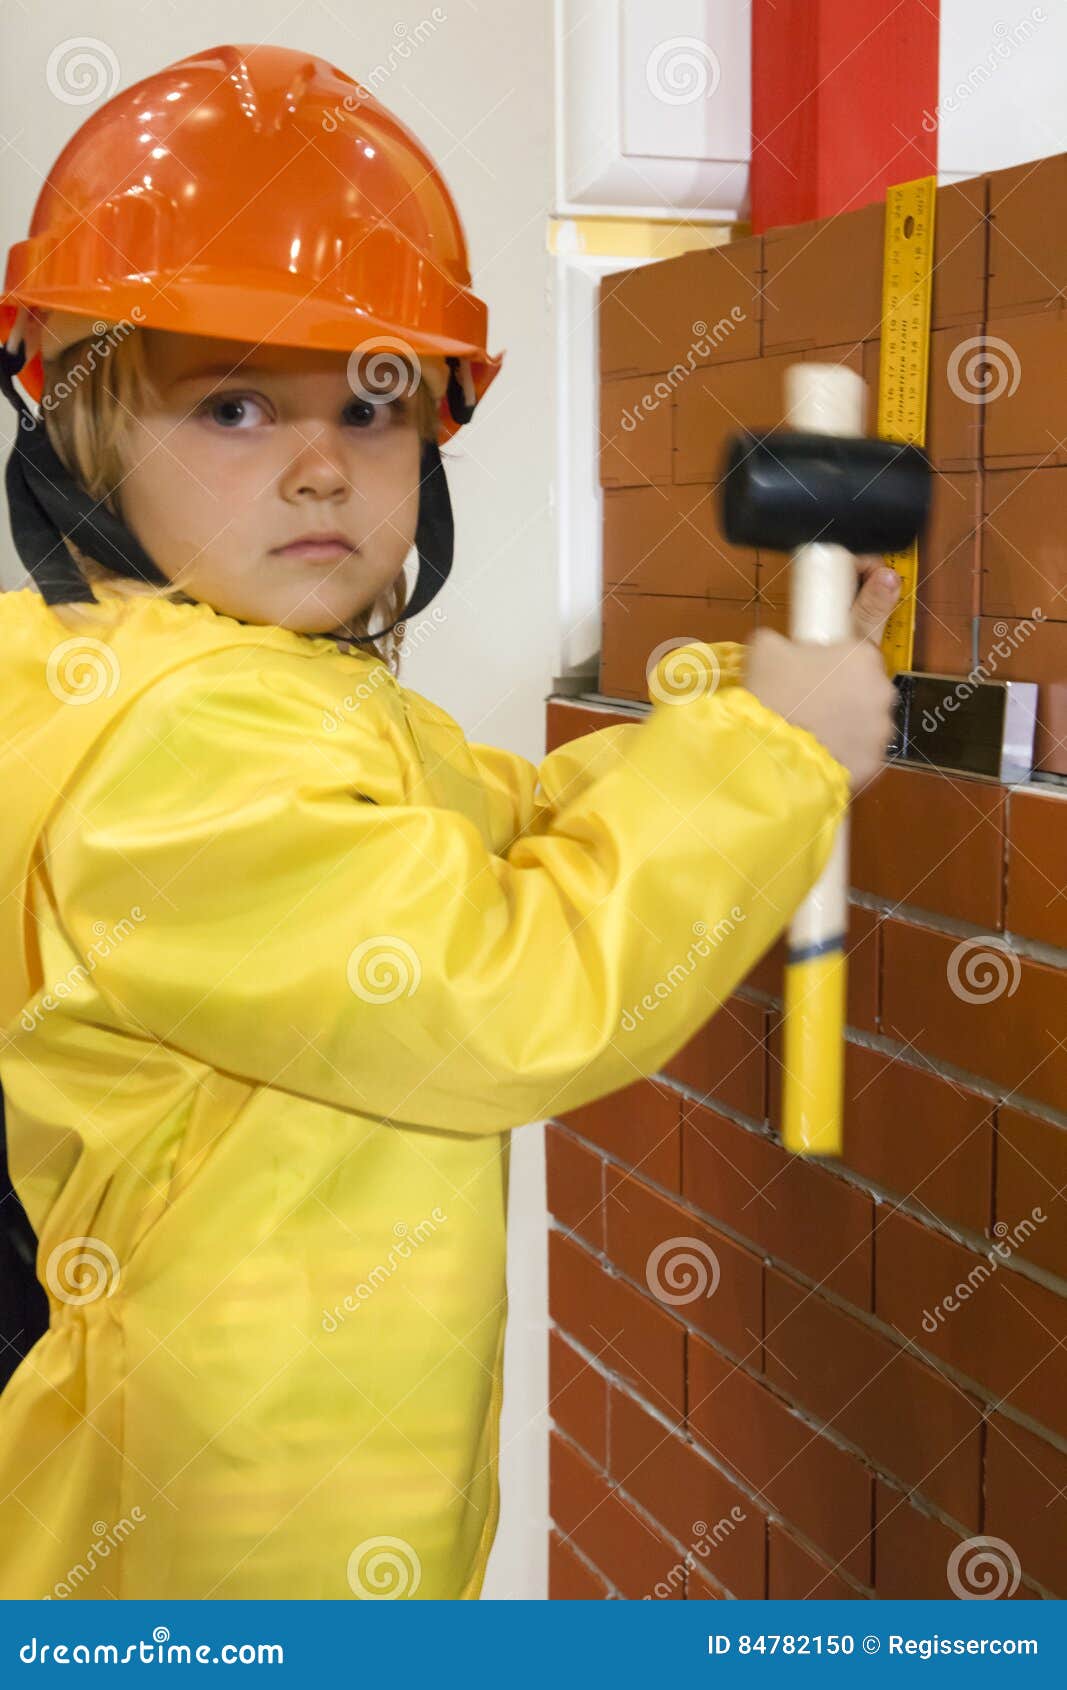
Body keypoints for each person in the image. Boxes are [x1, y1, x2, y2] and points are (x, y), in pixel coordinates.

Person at [0, 43, 898, 1600]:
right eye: (232, 405)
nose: (319, 467)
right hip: (227, 1540)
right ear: (81, 434)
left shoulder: (264, 695)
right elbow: (504, 988)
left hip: (306, 1482)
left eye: (373, 405)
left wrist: (757, 715)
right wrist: (770, 762)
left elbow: (515, 823)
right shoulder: (178, 751)